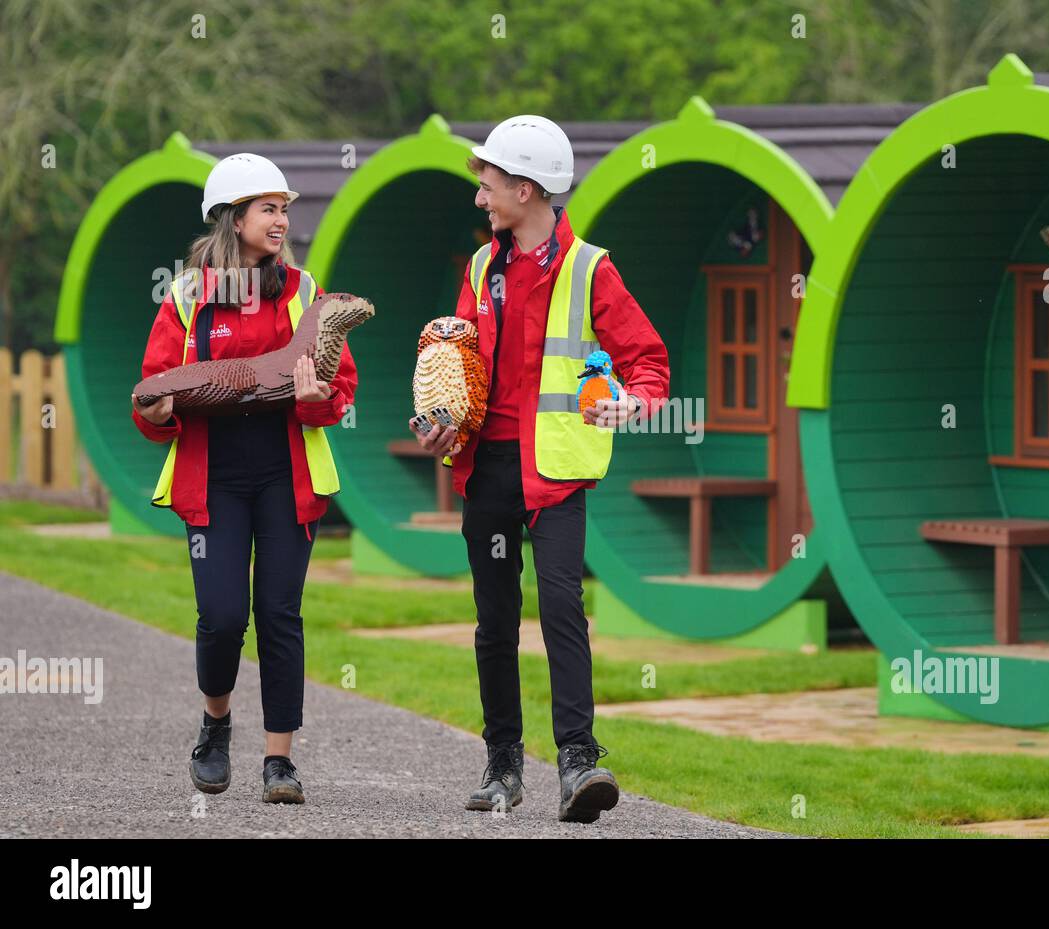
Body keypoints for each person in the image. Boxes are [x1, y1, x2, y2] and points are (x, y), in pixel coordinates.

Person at [409, 115, 670, 823]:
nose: (479, 197)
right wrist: (439, 420)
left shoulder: (592, 268)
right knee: (495, 620)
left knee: (561, 611)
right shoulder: (477, 268)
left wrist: (631, 401)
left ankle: (579, 762)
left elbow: (648, 361)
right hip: (486, 468)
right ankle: (503, 767)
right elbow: (455, 365)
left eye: (488, 184)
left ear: (525, 189)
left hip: (555, 472)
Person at [130, 153, 358, 804]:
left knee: (280, 615)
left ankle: (280, 760)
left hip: (287, 474)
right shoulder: (186, 296)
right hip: (214, 477)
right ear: (233, 218)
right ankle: (215, 723)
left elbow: (340, 388)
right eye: (268, 208)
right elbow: (150, 391)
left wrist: (314, 395)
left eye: (285, 208)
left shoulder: (306, 292)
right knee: (223, 616)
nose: (282, 219)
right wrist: (160, 409)